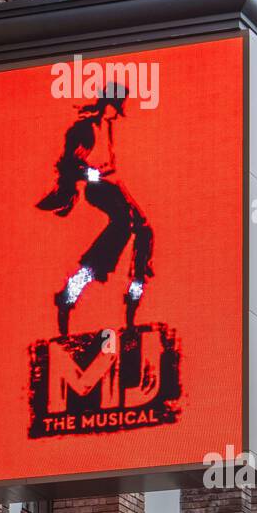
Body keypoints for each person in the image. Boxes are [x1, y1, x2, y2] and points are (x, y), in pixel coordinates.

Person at [37, 83, 154, 336]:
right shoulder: (86, 128)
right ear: (107, 105)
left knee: (144, 230)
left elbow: (112, 170)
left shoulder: (108, 127)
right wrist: (90, 174)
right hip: (97, 188)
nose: (117, 113)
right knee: (123, 224)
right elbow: (68, 164)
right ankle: (74, 288)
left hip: (112, 186)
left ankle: (134, 291)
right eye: (116, 107)